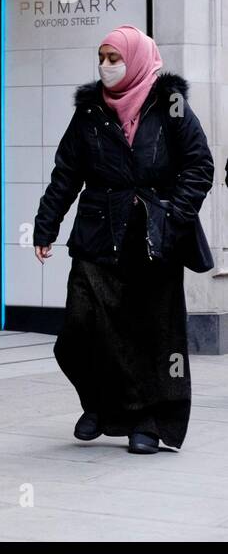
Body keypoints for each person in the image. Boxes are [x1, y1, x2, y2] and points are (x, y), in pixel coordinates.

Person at [33, 25, 212, 454]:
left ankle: (148, 423)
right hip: (98, 233)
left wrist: (175, 216)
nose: (106, 66)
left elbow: (199, 165)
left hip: (154, 237)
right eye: (102, 57)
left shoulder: (171, 104)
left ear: (136, 60)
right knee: (78, 328)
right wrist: (46, 226)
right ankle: (99, 401)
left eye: (115, 58)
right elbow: (66, 172)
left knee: (151, 334)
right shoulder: (91, 110)